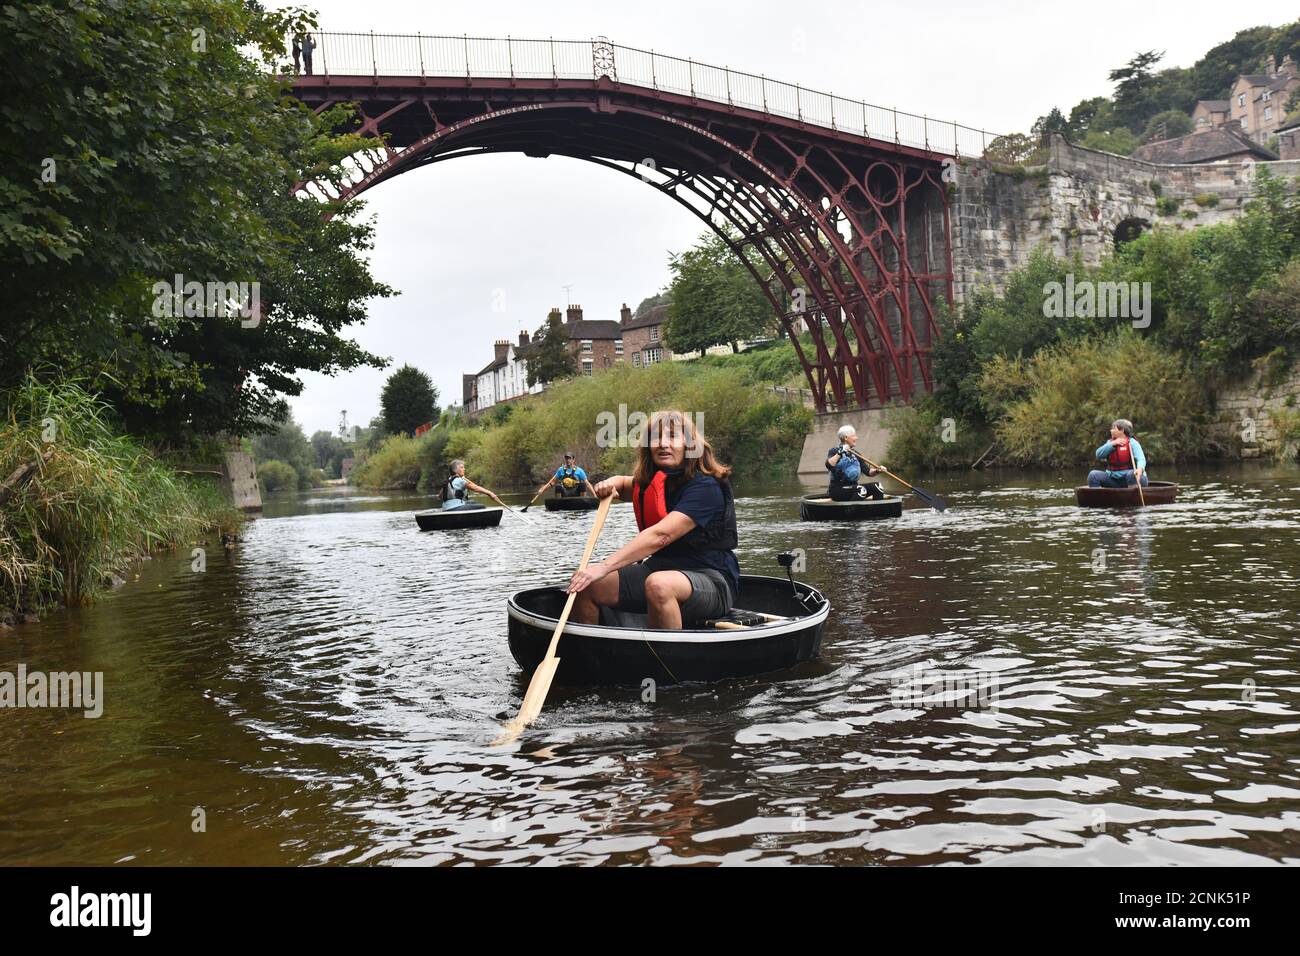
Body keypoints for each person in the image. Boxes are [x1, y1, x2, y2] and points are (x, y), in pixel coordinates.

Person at [569, 410, 739, 630]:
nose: (663, 444)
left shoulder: (706, 487)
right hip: (659, 569)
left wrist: (603, 566)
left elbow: (661, 536)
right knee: (585, 585)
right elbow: (626, 484)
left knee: (659, 585)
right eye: (656, 438)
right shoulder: (655, 481)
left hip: (711, 579)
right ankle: (593, 656)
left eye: (672, 436)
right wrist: (612, 483)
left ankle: (668, 660)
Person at [825, 424, 884, 501]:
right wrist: (840, 453)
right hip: (837, 490)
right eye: (854, 436)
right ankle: (850, 512)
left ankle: (878, 511)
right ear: (846, 438)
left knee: (878, 486)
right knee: (861, 490)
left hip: (853, 488)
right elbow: (829, 465)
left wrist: (877, 470)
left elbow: (868, 472)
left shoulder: (856, 454)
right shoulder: (834, 451)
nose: (856, 438)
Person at [1087, 419, 1149, 488]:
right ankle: (1097, 497)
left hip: (1134, 479)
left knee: (1132, 474)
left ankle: (1132, 497)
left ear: (1122, 430)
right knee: (1093, 475)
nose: (1111, 430)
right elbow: (1098, 455)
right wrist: (1112, 444)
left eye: (1114, 428)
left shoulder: (1132, 442)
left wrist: (1139, 469)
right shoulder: (1110, 443)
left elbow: (1141, 459)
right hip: (1114, 480)